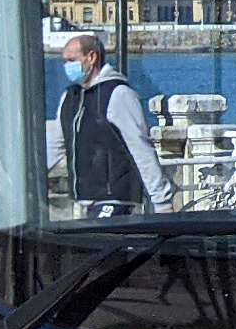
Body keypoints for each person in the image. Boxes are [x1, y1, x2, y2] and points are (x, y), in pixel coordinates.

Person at [54, 31, 169, 212]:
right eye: (65, 61)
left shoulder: (118, 94)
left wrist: (161, 200)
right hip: (84, 199)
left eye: (71, 60)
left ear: (91, 57)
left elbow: (140, 147)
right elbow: (57, 144)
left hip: (115, 198)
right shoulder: (70, 98)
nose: (67, 66)